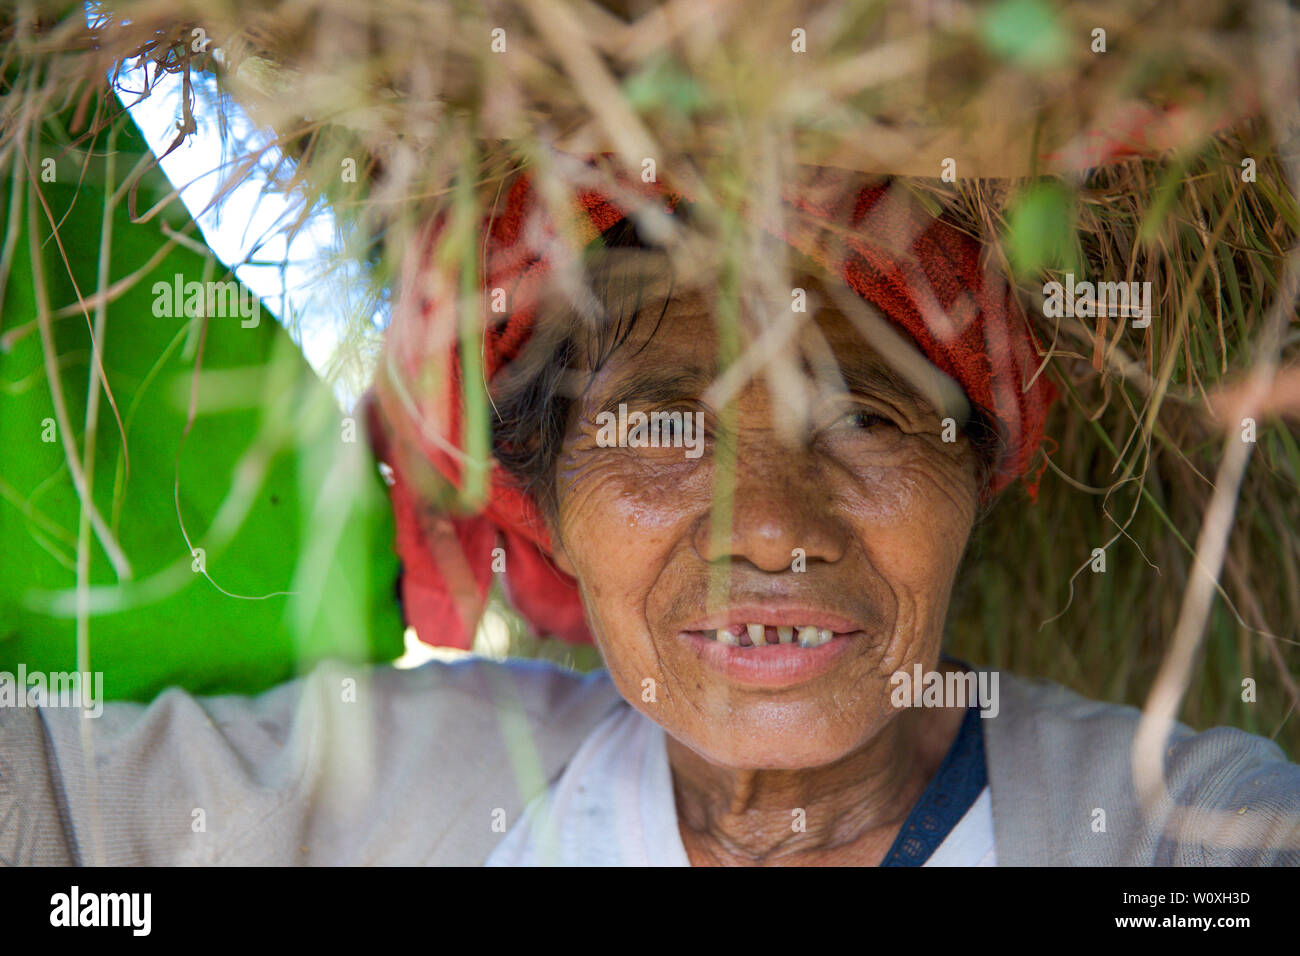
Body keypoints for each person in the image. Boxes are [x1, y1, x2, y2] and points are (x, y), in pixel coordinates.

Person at [3, 164, 1296, 866]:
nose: (774, 529)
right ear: (552, 512)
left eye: (865, 416)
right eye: (662, 432)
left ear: (977, 478)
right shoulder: (412, 793)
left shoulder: (1177, 833)